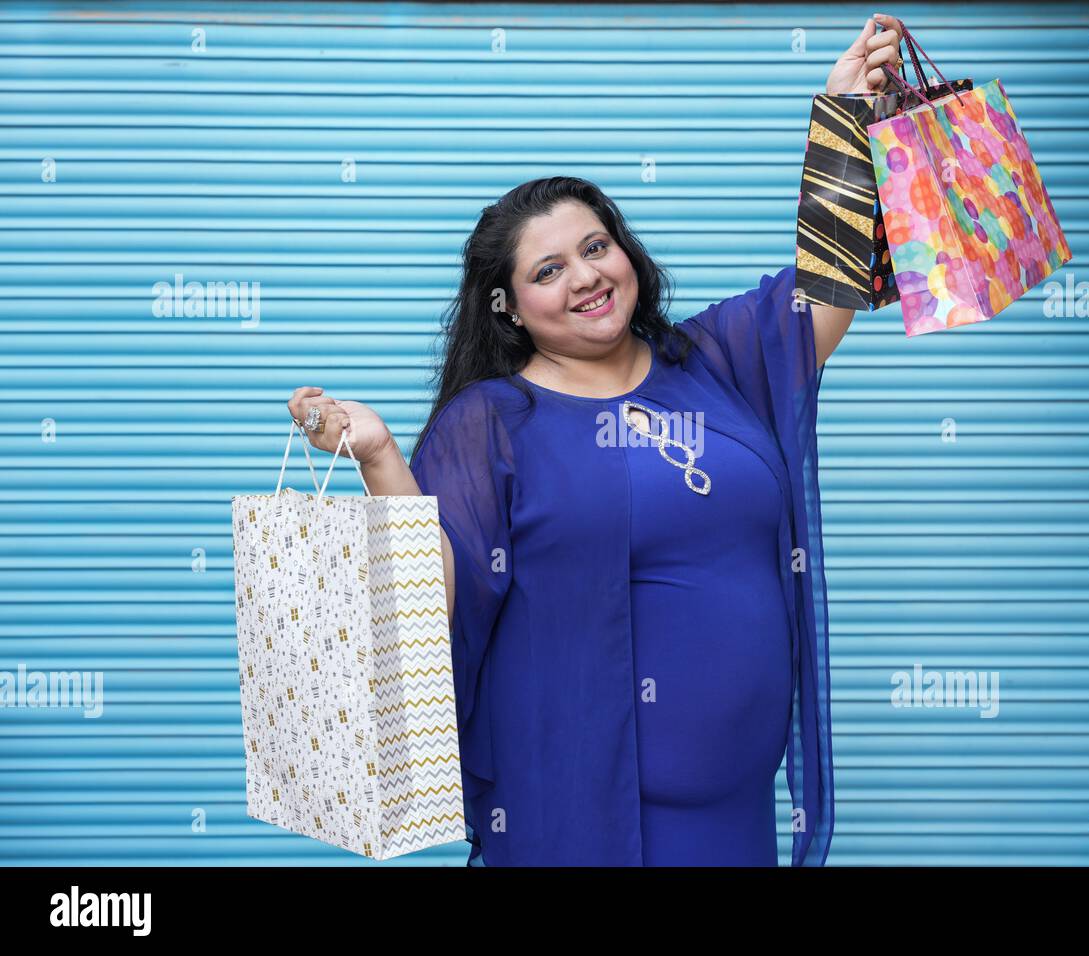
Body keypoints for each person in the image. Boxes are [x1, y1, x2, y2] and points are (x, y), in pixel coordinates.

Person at [285, 15, 907, 866]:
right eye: (547, 270)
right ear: (508, 307)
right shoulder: (493, 425)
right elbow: (435, 602)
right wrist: (381, 456)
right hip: (572, 820)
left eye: (595, 247)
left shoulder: (719, 359)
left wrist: (842, 117)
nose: (584, 276)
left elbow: (828, 279)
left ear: (626, 254)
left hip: (733, 820)